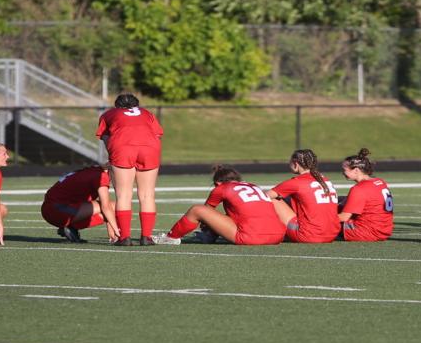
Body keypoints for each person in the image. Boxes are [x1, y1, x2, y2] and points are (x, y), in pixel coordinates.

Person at [147, 165, 286, 246]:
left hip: (252, 237)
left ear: (218, 183)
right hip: (278, 236)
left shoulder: (221, 187)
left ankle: (170, 237)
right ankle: (208, 236)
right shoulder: (253, 186)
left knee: (197, 210)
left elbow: (206, 213)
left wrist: (208, 231)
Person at [96, 92, 164, 245]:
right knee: (147, 195)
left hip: (122, 147)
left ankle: (125, 237)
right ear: (137, 105)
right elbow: (157, 134)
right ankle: (146, 237)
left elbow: (105, 137)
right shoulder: (147, 113)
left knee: (124, 195)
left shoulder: (109, 114)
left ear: (117, 106)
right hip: (150, 148)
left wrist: (113, 155)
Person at [271, 149, 341, 243]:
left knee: (273, 200)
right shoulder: (325, 180)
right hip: (332, 234)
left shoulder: (296, 182)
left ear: (296, 164)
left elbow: (263, 197)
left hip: (309, 235)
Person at [41, 164, 118, 243]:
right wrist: (117, 232)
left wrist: (112, 232)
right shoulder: (101, 176)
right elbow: (107, 207)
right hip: (58, 210)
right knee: (115, 206)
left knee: (108, 209)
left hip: (50, 209)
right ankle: (72, 226)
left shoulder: (94, 171)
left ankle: (70, 228)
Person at [337, 149, 394, 242]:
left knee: (325, 222)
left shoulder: (359, 189)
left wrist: (321, 217)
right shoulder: (380, 181)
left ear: (356, 170)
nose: (342, 173)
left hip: (366, 231)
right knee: (340, 201)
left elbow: (344, 217)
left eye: (345, 170)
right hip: (384, 230)